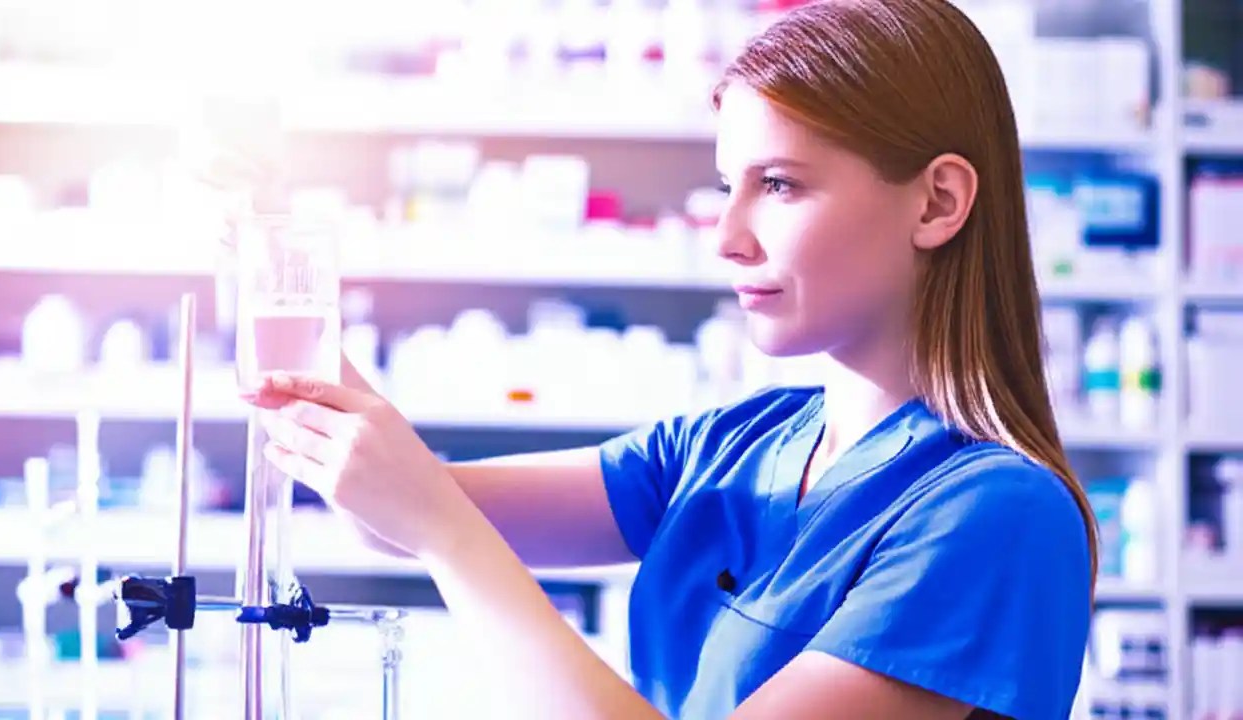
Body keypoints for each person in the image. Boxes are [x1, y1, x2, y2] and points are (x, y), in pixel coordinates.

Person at [241, 0, 1097, 717]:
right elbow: (387, 512)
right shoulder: (732, 447)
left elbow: (429, 517)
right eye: (728, 186)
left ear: (937, 202)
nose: (726, 238)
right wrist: (260, 243)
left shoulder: (998, 514)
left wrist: (445, 535)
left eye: (780, 185)